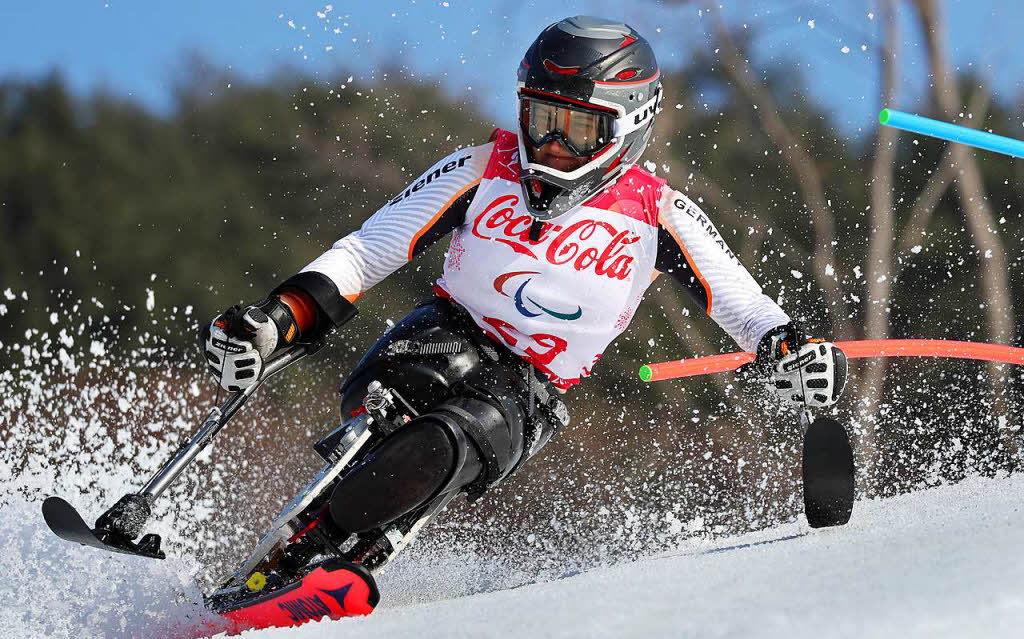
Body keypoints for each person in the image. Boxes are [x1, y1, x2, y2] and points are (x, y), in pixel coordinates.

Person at [202, 15, 847, 558]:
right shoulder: (485, 168)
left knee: (472, 422)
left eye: (581, 128)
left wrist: (788, 346)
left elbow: (740, 300)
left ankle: (336, 543)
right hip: (441, 333)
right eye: (541, 118)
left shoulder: (658, 213)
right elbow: (372, 248)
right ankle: (302, 532)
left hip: (531, 387)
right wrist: (280, 318)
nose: (554, 144)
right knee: (430, 378)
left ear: (630, 126)